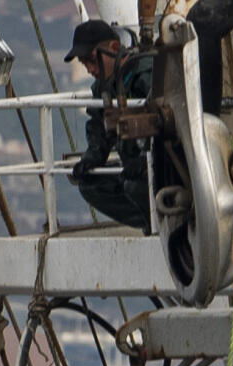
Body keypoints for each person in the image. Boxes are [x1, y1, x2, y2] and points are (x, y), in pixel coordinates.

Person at [64, 19, 155, 229]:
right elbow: (98, 126)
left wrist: (146, 159)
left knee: (135, 186)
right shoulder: (103, 88)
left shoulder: (146, 74)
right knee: (91, 186)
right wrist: (91, 159)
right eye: (84, 63)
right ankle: (149, 220)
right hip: (133, 166)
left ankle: (162, 221)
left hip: (161, 164)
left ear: (114, 48)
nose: (89, 69)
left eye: (91, 60)